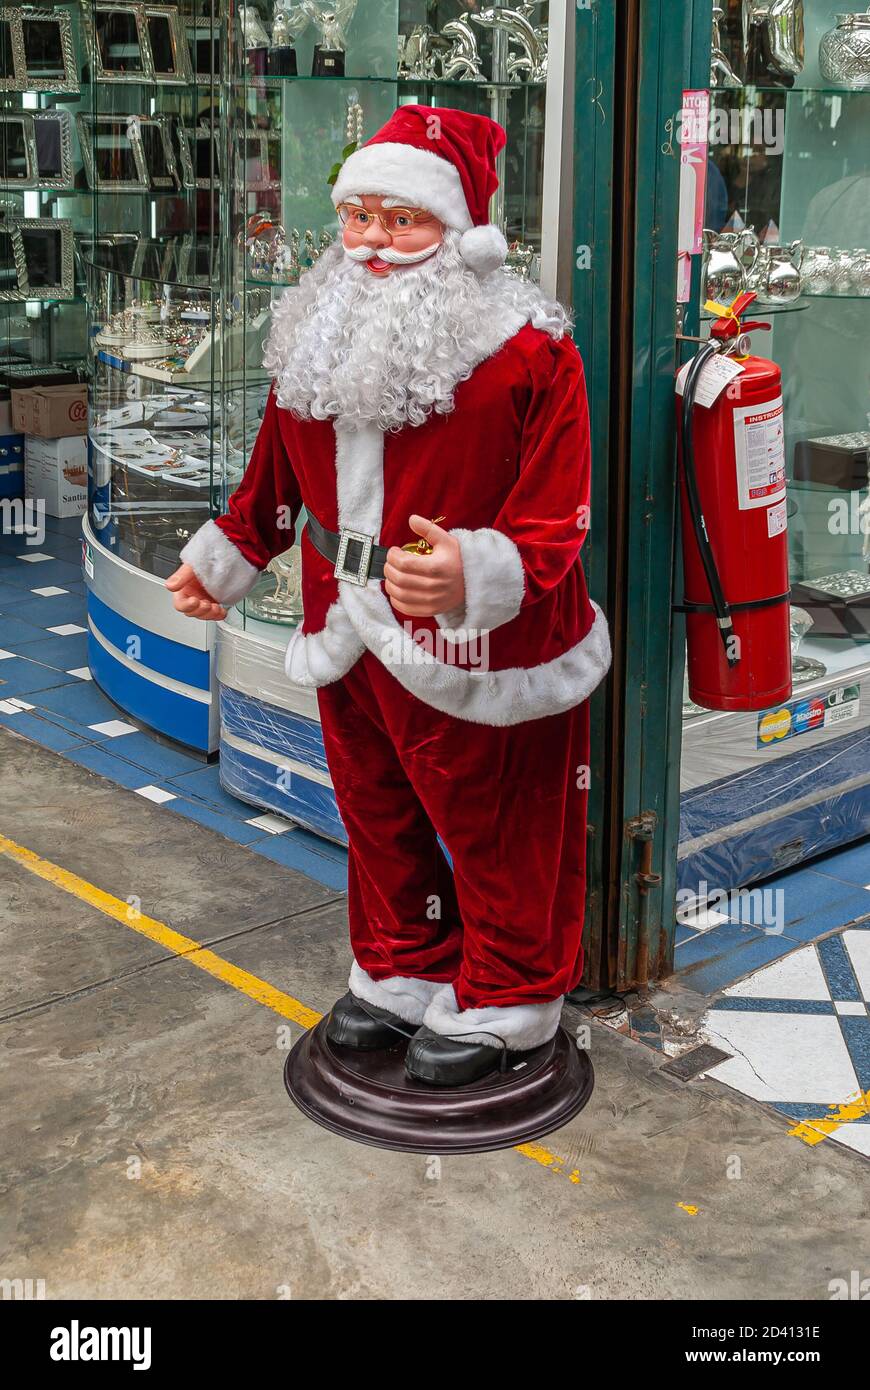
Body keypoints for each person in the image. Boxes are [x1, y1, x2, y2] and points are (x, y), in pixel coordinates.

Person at [166, 105, 611, 1086]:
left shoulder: (530, 351)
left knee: (500, 821)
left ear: (459, 230)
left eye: (401, 220)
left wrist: (475, 570)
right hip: (344, 620)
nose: (372, 241)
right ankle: (403, 965)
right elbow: (272, 480)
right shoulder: (311, 334)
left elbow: (558, 510)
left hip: (484, 646)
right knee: (378, 810)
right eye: (357, 218)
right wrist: (229, 554)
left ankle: (512, 994)